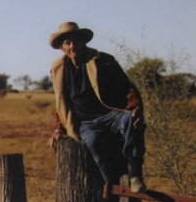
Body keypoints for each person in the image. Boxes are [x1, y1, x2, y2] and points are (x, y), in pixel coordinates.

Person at [48, 21, 147, 193]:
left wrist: (135, 106)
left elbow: (127, 88)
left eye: (76, 41)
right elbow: (61, 104)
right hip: (87, 123)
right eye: (67, 43)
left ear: (83, 42)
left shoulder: (104, 61)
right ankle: (114, 189)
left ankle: (135, 174)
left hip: (111, 115)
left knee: (130, 121)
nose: (72, 46)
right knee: (93, 143)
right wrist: (58, 128)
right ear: (62, 48)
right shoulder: (58, 70)